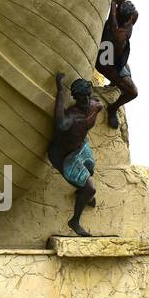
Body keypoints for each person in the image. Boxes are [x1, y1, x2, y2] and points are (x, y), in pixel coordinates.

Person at [47, 74, 104, 236]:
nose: (86, 100)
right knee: (90, 188)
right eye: (81, 97)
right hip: (65, 157)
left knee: (90, 169)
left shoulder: (95, 105)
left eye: (88, 95)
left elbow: (98, 103)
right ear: (75, 98)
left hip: (81, 146)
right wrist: (60, 91)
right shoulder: (71, 117)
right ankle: (75, 221)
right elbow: (59, 123)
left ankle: (83, 194)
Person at [95, 0, 139, 129]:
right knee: (133, 92)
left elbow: (114, 17)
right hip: (106, 63)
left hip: (117, 61)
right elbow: (114, 27)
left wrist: (114, 2)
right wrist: (114, 3)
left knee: (128, 72)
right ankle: (112, 108)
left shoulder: (129, 19)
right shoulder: (118, 33)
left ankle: (114, 84)